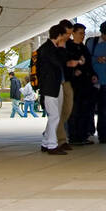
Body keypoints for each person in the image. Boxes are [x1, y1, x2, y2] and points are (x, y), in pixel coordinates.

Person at [36, 25, 70, 154]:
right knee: (54, 116)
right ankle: (51, 145)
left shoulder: (48, 48)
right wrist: (61, 48)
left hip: (53, 86)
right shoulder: (48, 49)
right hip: (49, 87)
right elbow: (59, 62)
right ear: (59, 36)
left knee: (54, 116)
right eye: (64, 35)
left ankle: (46, 142)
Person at [65, 24, 95, 144]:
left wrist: (93, 75)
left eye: (83, 33)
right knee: (74, 110)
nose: (82, 36)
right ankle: (74, 136)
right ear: (74, 33)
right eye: (80, 33)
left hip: (85, 83)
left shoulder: (84, 48)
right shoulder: (69, 47)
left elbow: (88, 64)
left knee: (85, 110)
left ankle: (83, 135)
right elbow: (66, 63)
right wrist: (73, 72)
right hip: (74, 84)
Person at [88, 22, 106, 143]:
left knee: (104, 109)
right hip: (93, 80)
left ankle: (102, 133)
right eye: (105, 35)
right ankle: (89, 130)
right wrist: (97, 59)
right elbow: (87, 58)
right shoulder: (92, 43)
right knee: (89, 107)